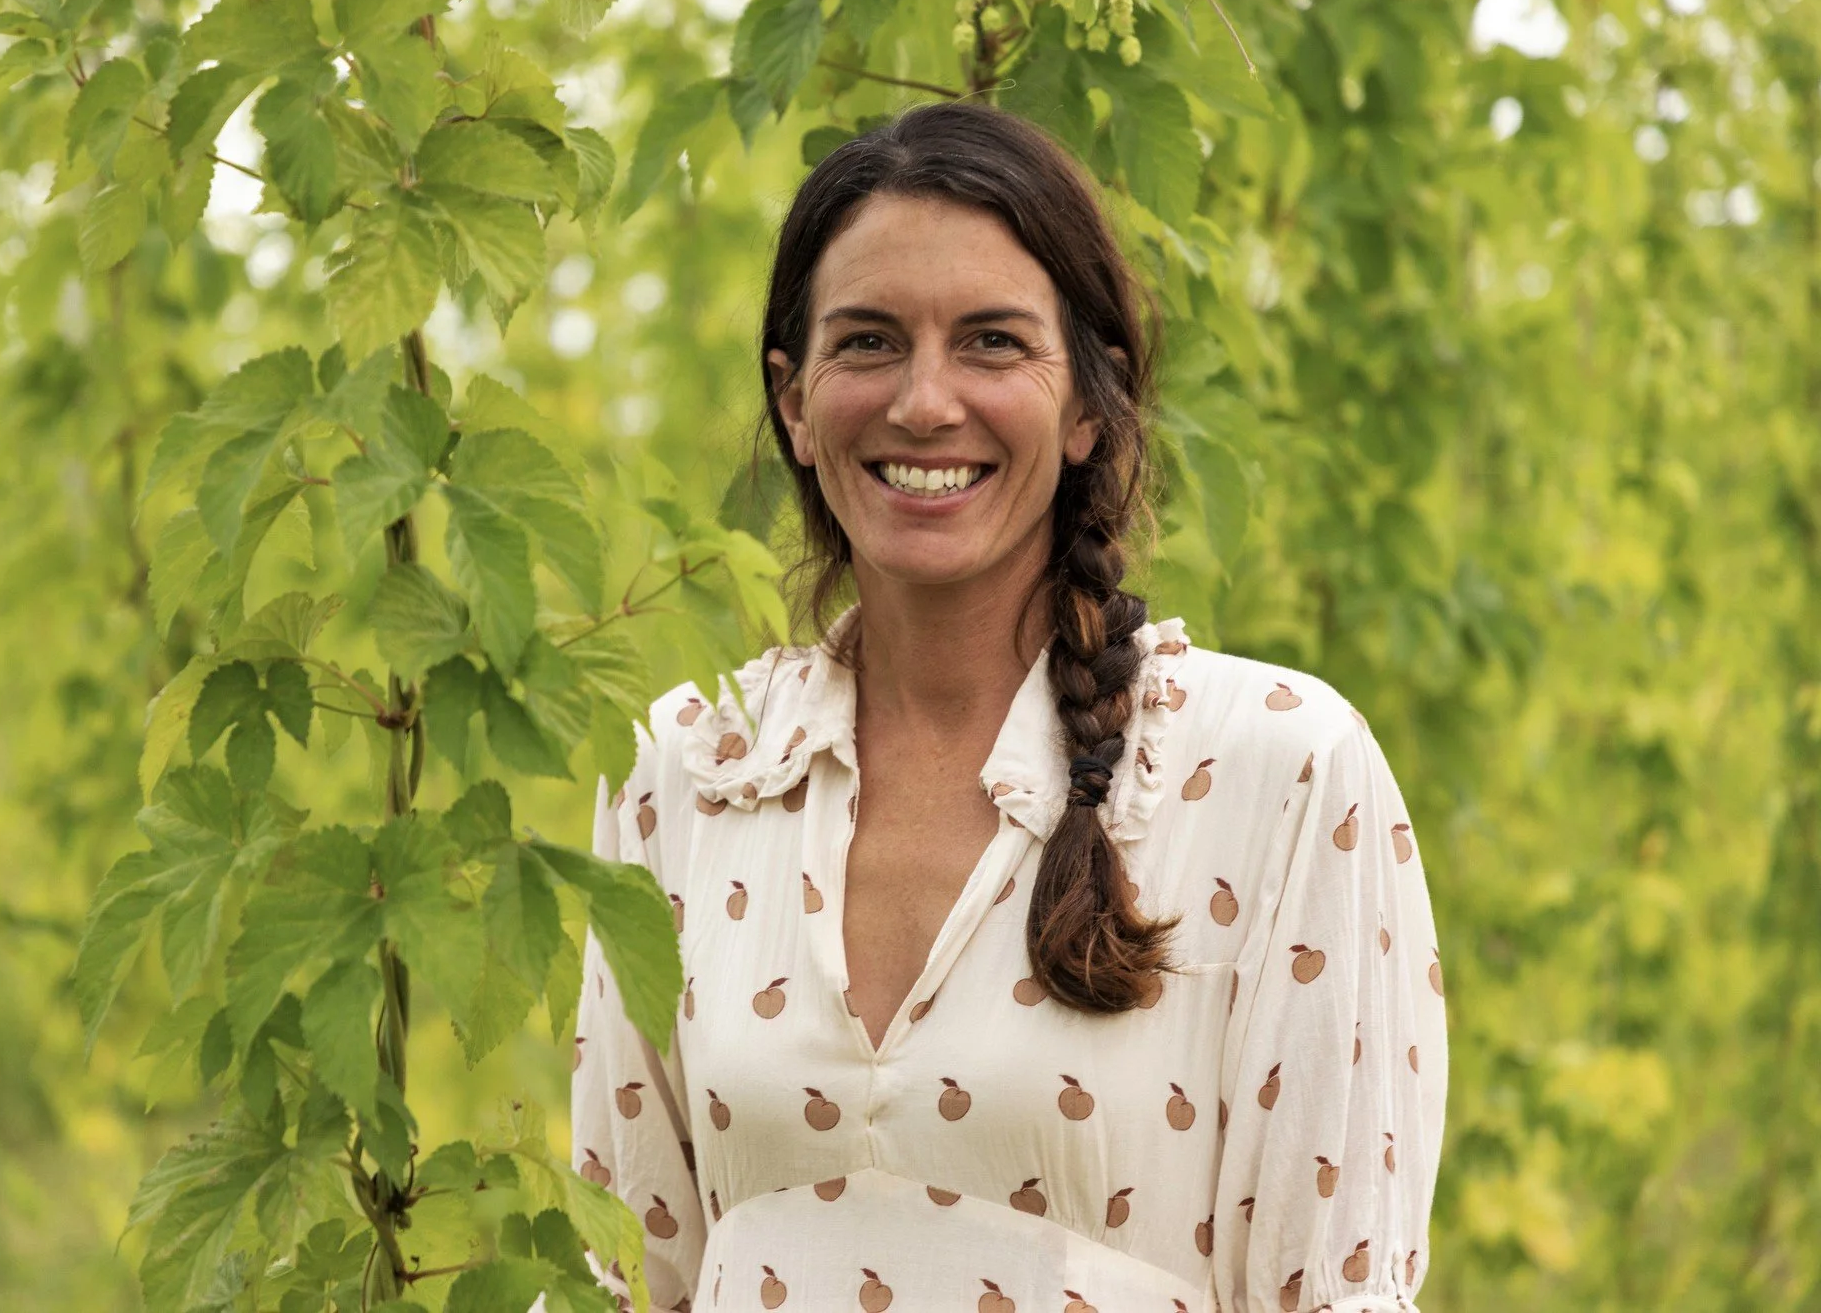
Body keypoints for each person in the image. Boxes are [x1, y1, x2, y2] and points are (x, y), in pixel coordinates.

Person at [570, 100, 1447, 1313]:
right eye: (868, 341)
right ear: (792, 401)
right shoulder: (686, 772)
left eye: (990, 342)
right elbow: (622, 1279)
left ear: (1090, 403)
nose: (924, 402)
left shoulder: (1277, 771)